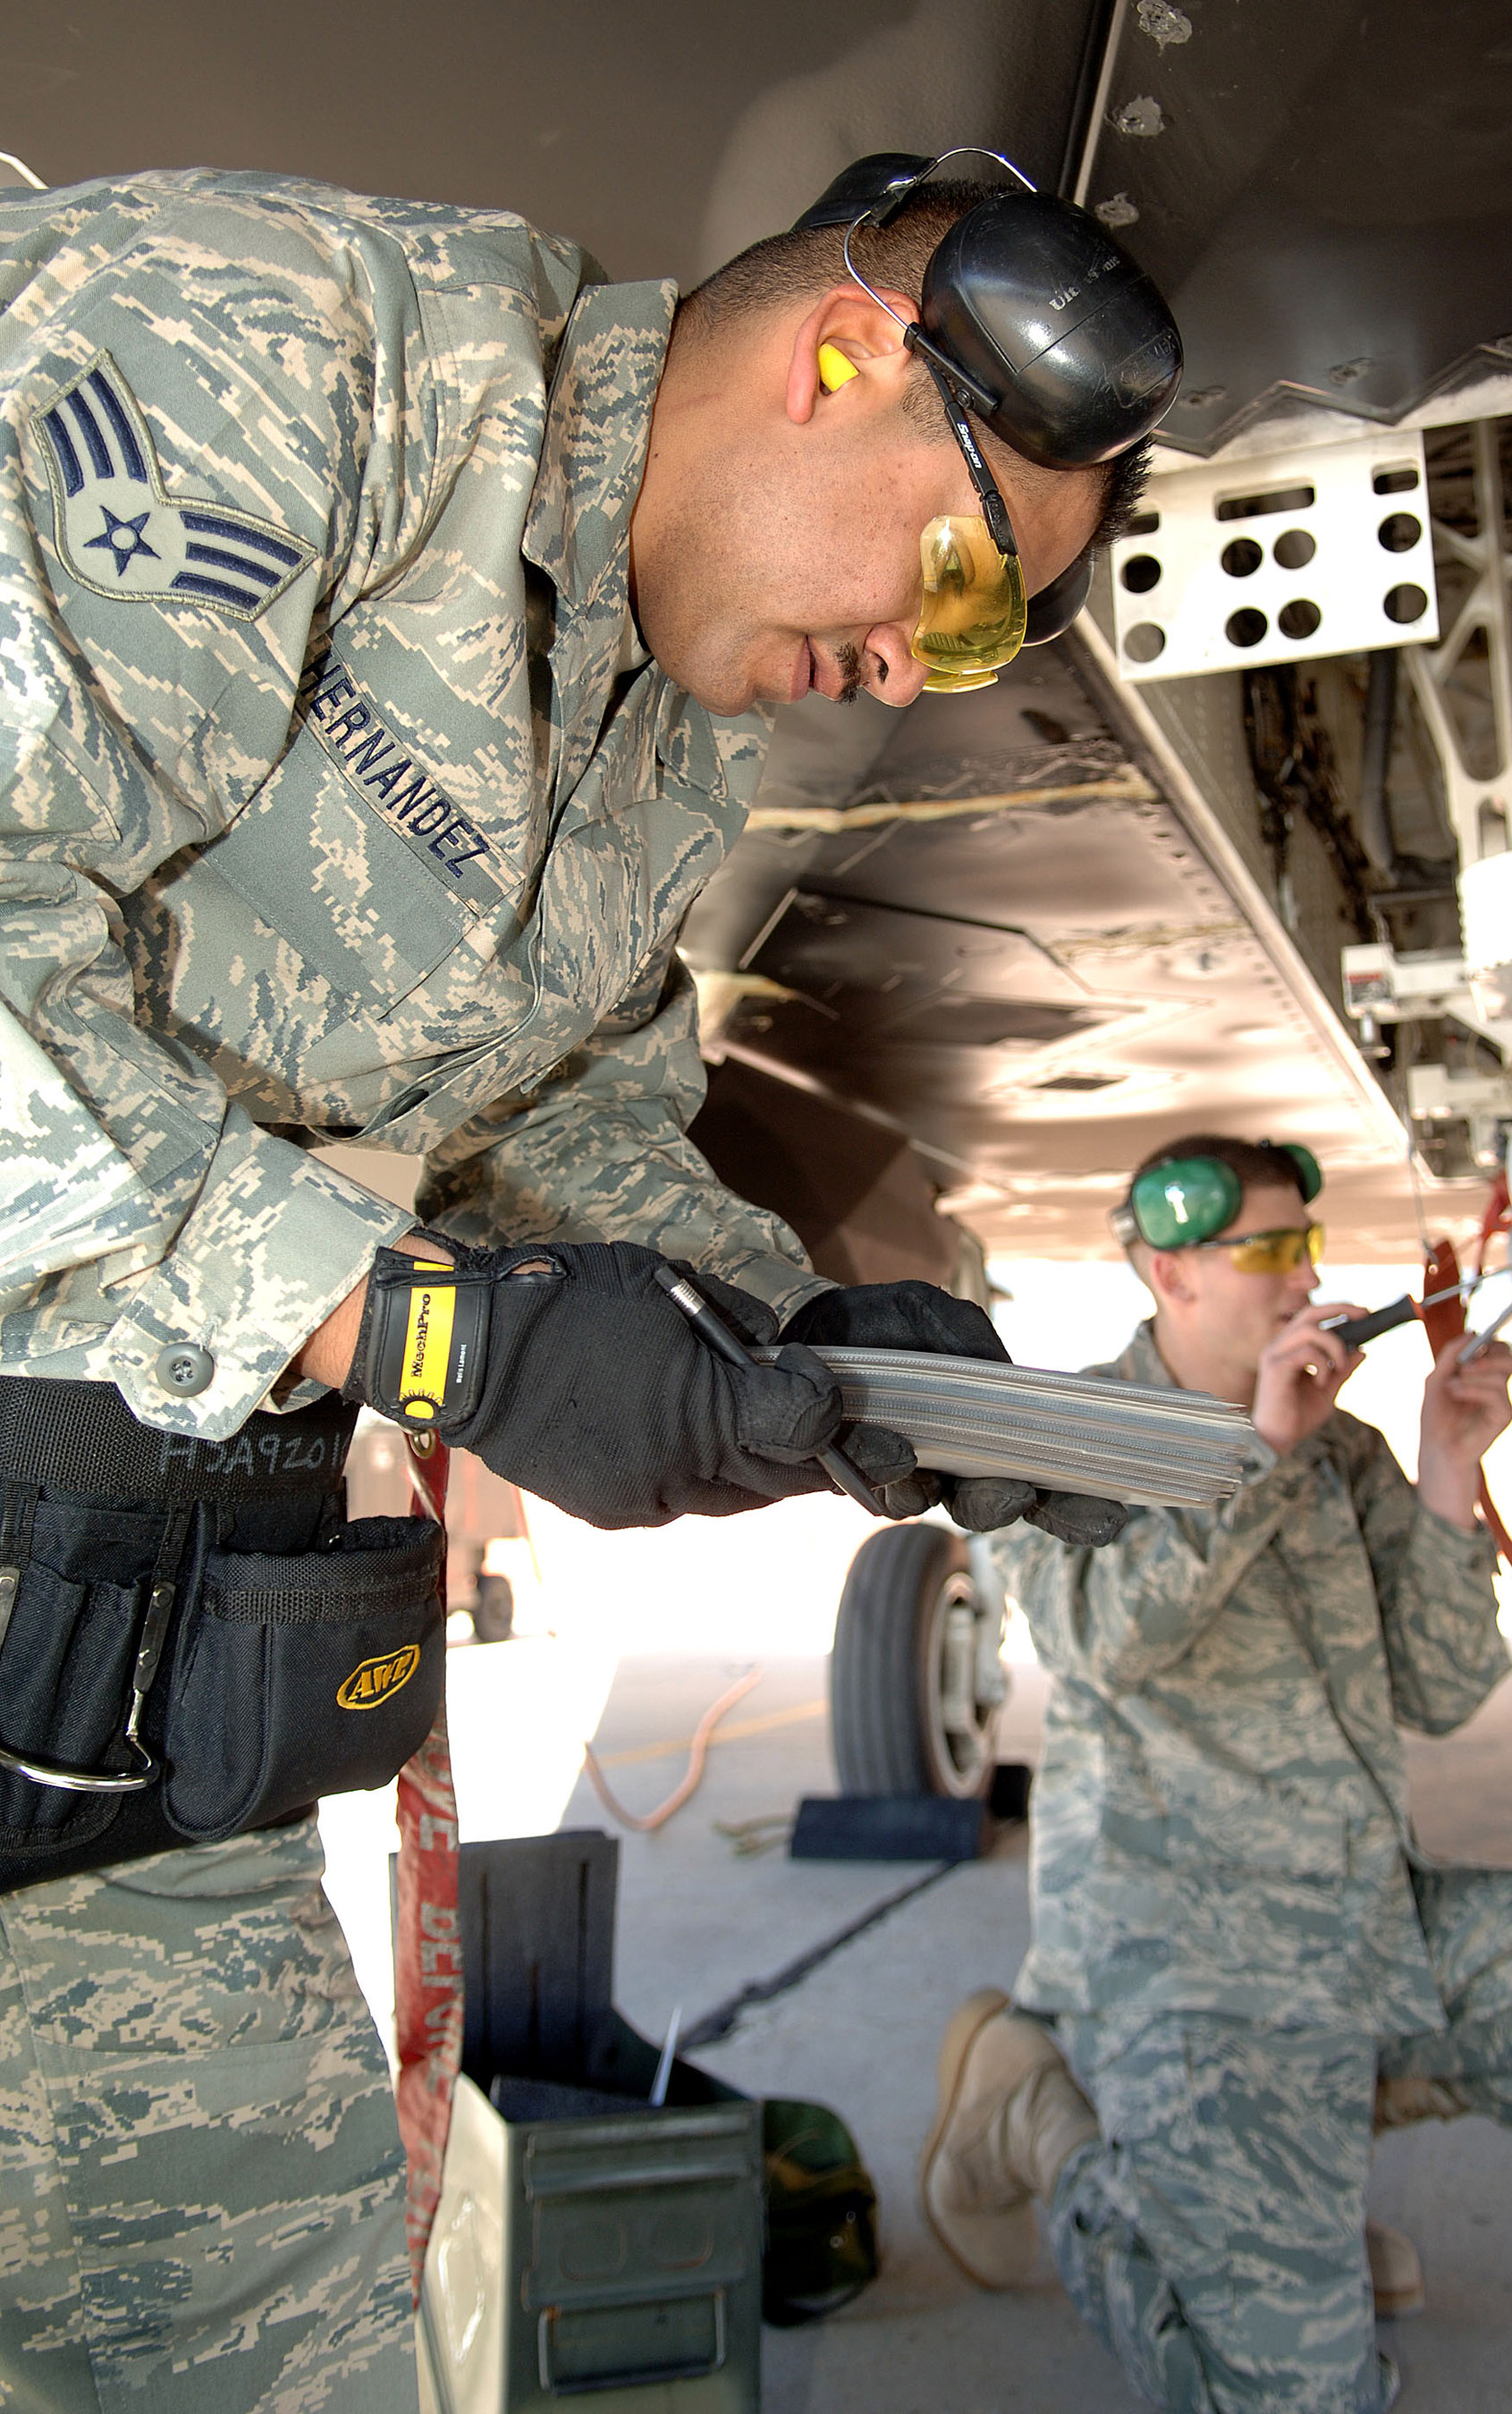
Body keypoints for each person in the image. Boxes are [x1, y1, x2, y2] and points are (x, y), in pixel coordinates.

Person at [0, 153, 1170, 2408]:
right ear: (841, 358)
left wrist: (819, 1361)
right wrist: (413, 1333)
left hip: (96, 1682)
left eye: (990, 639)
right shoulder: (304, 359)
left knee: (270, 2356)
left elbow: (567, 1143)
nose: (928, 666)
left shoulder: (651, 758)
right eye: (955, 581)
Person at [921, 1133, 1512, 2414]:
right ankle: (1045, 2127)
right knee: (1291, 2398)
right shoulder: (1062, 1435)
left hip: (1362, 1928)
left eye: (1311, 1241)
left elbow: (1439, 1692)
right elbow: (1096, 1644)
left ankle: (1288, 2162)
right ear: (1169, 1273)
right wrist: (1255, 1458)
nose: (1309, 1278)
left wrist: (1451, 1467)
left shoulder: (1336, 1446)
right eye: (1274, 1251)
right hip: (1188, 1967)